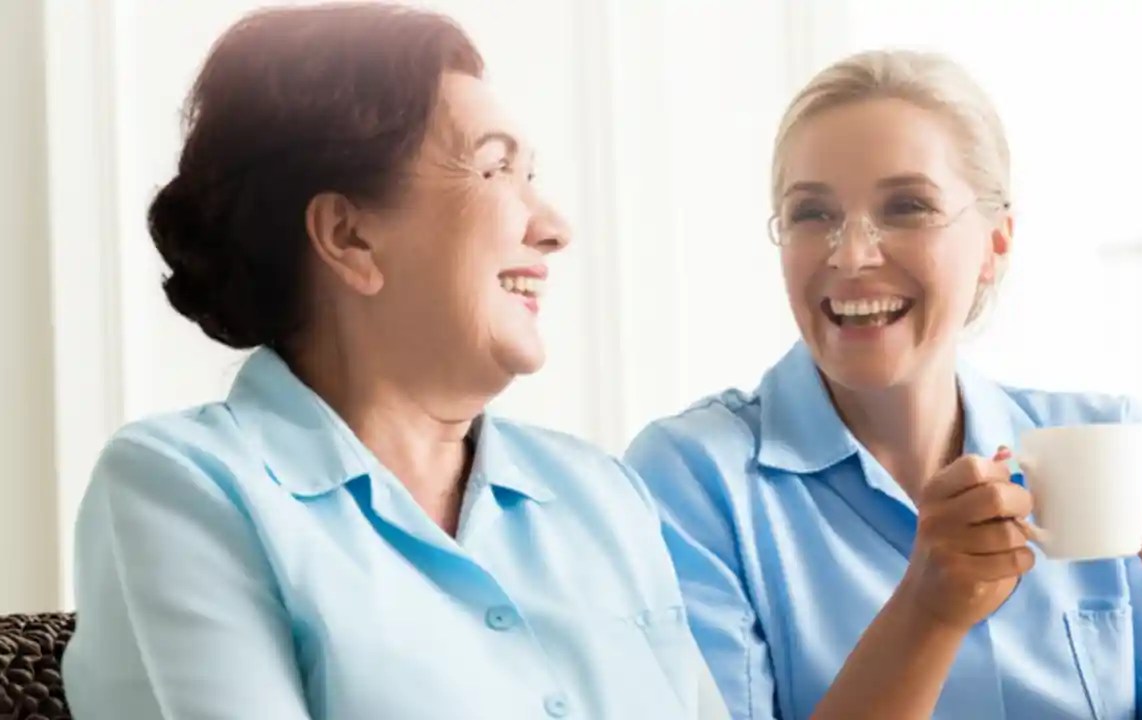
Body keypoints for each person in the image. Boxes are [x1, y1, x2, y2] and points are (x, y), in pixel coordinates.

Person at [62, 5, 725, 719]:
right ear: (349, 236)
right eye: (497, 169)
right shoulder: (182, 487)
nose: (554, 227)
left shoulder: (601, 496)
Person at [625, 50, 1142, 719]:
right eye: (812, 214)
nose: (850, 255)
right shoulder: (693, 479)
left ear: (996, 243)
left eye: (906, 207)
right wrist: (928, 611)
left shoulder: (1110, 443)